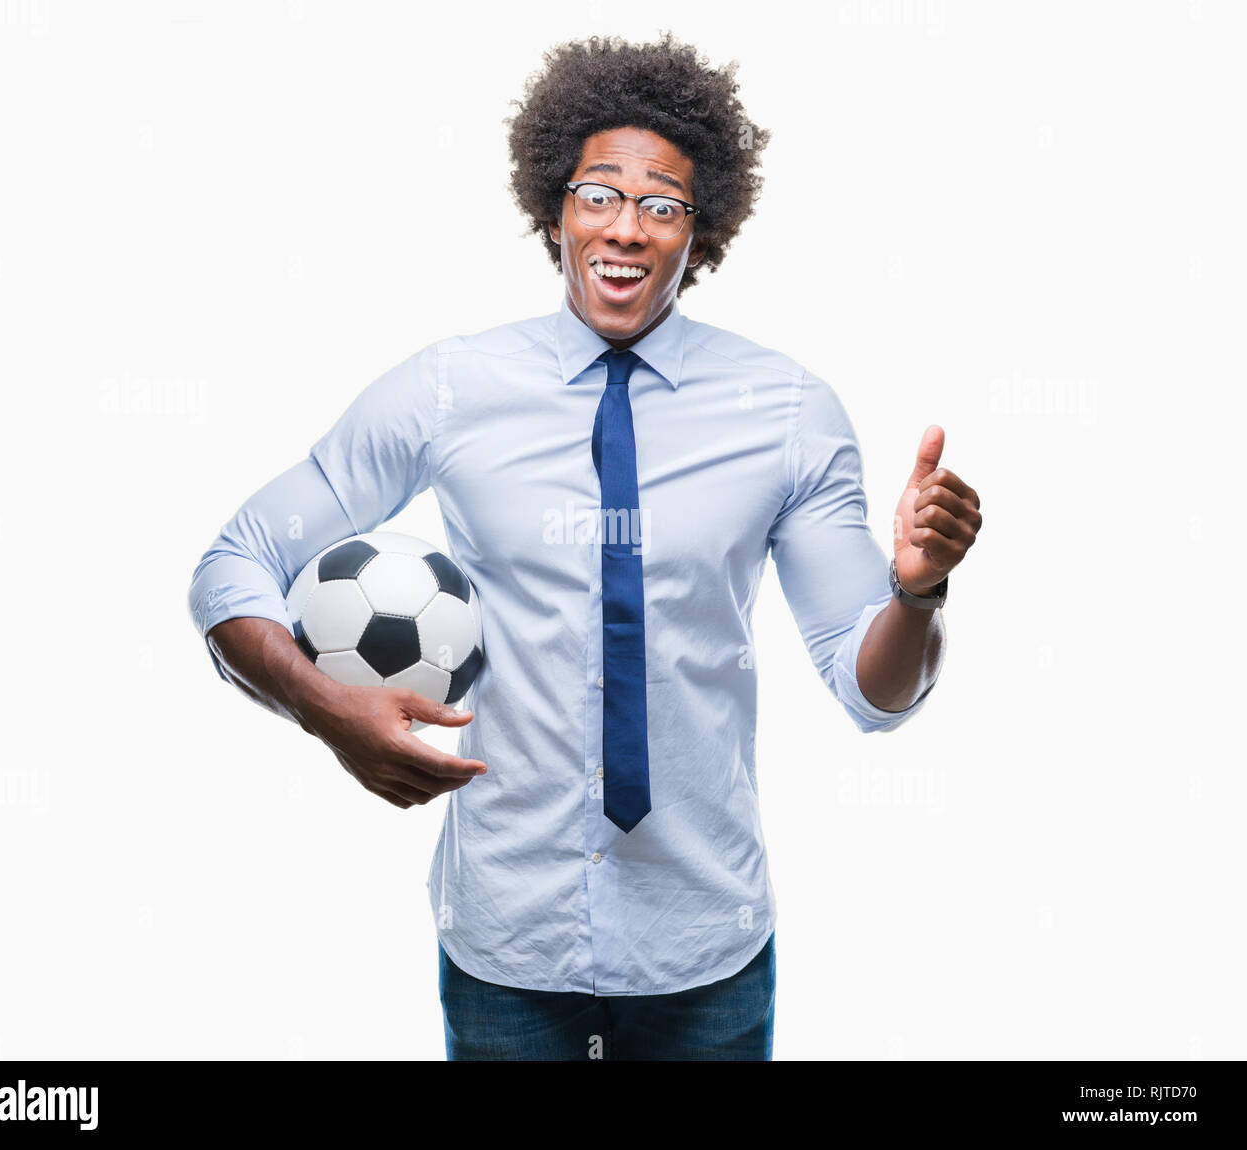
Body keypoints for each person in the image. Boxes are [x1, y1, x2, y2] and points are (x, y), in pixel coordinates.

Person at [186, 32, 982, 1061]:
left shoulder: (788, 411)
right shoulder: (448, 389)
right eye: (597, 193)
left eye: (663, 205)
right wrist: (322, 706)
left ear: (702, 231)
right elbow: (234, 560)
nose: (626, 228)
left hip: (705, 947)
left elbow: (872, 693)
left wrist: (919, 595)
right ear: (553, 206)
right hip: (507, 942)